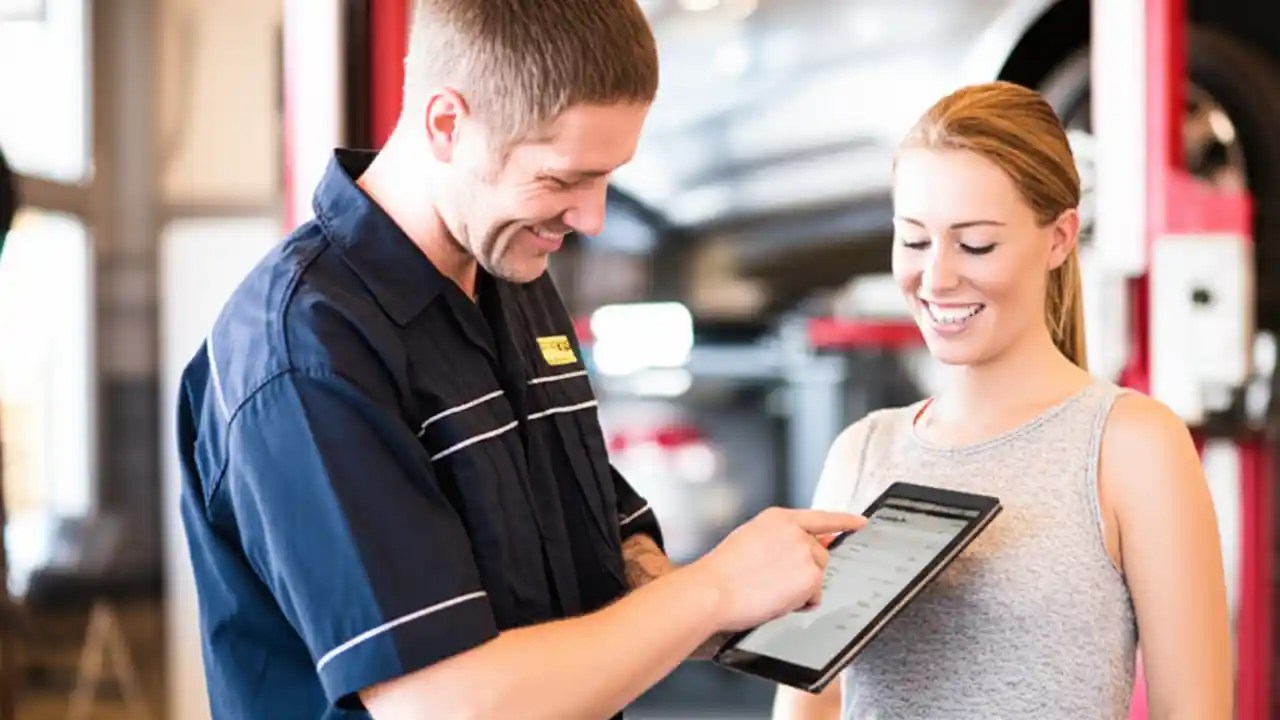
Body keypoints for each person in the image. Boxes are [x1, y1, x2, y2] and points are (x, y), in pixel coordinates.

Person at [175, 1, 865, 719]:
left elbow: (594, 541)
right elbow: (443, 703)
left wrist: (740, 598)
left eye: (608, 177)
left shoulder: (509, 267)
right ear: (447, 124)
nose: (591, 217)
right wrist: (711, 592)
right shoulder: (304, 356)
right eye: (564, 180)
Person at [774, 81, 1233, 720]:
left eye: (976, 244)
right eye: (913, 240)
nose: (936, 277)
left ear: (1059, 238)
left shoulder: (1130, 446)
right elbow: (803, 707)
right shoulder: (860, 453)